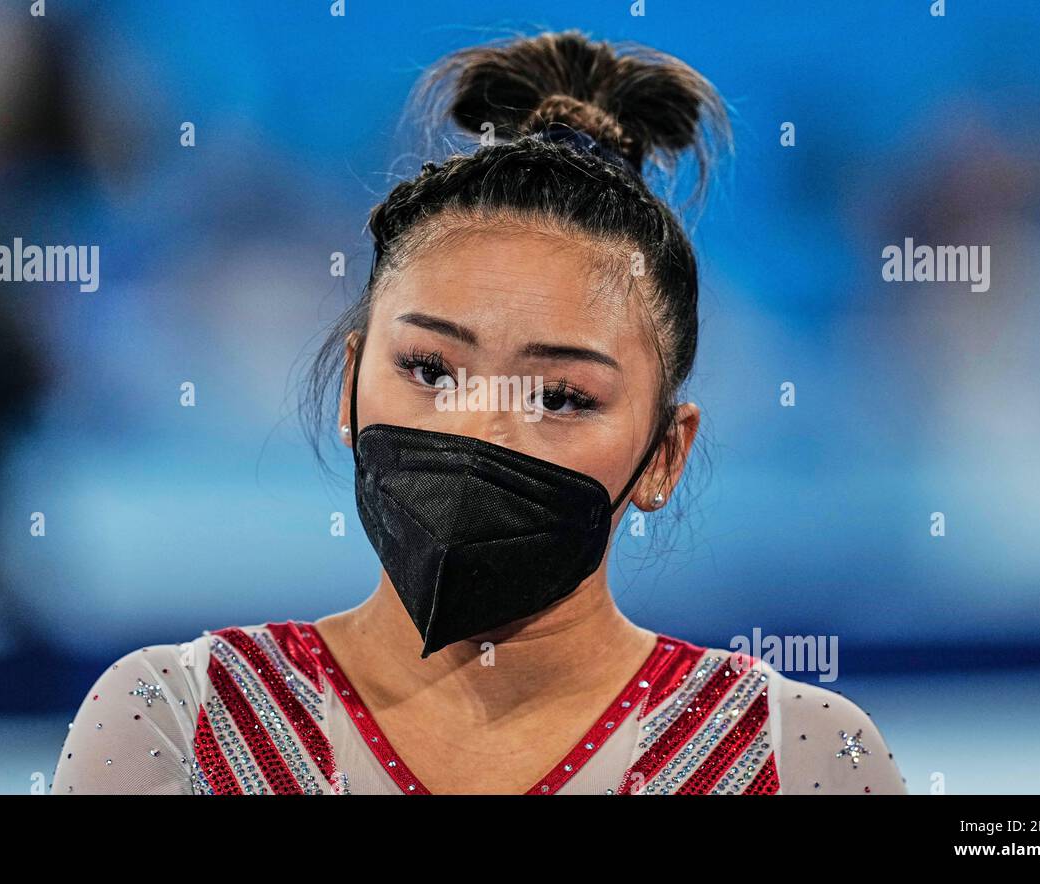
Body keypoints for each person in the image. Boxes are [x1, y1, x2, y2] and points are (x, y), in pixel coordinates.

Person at [52, 30, 907, 796]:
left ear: (664, 456)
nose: (479, 426)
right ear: (352, 387)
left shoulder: (796, 757)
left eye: (560, 396)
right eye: (428, 368)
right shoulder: (174, 724)